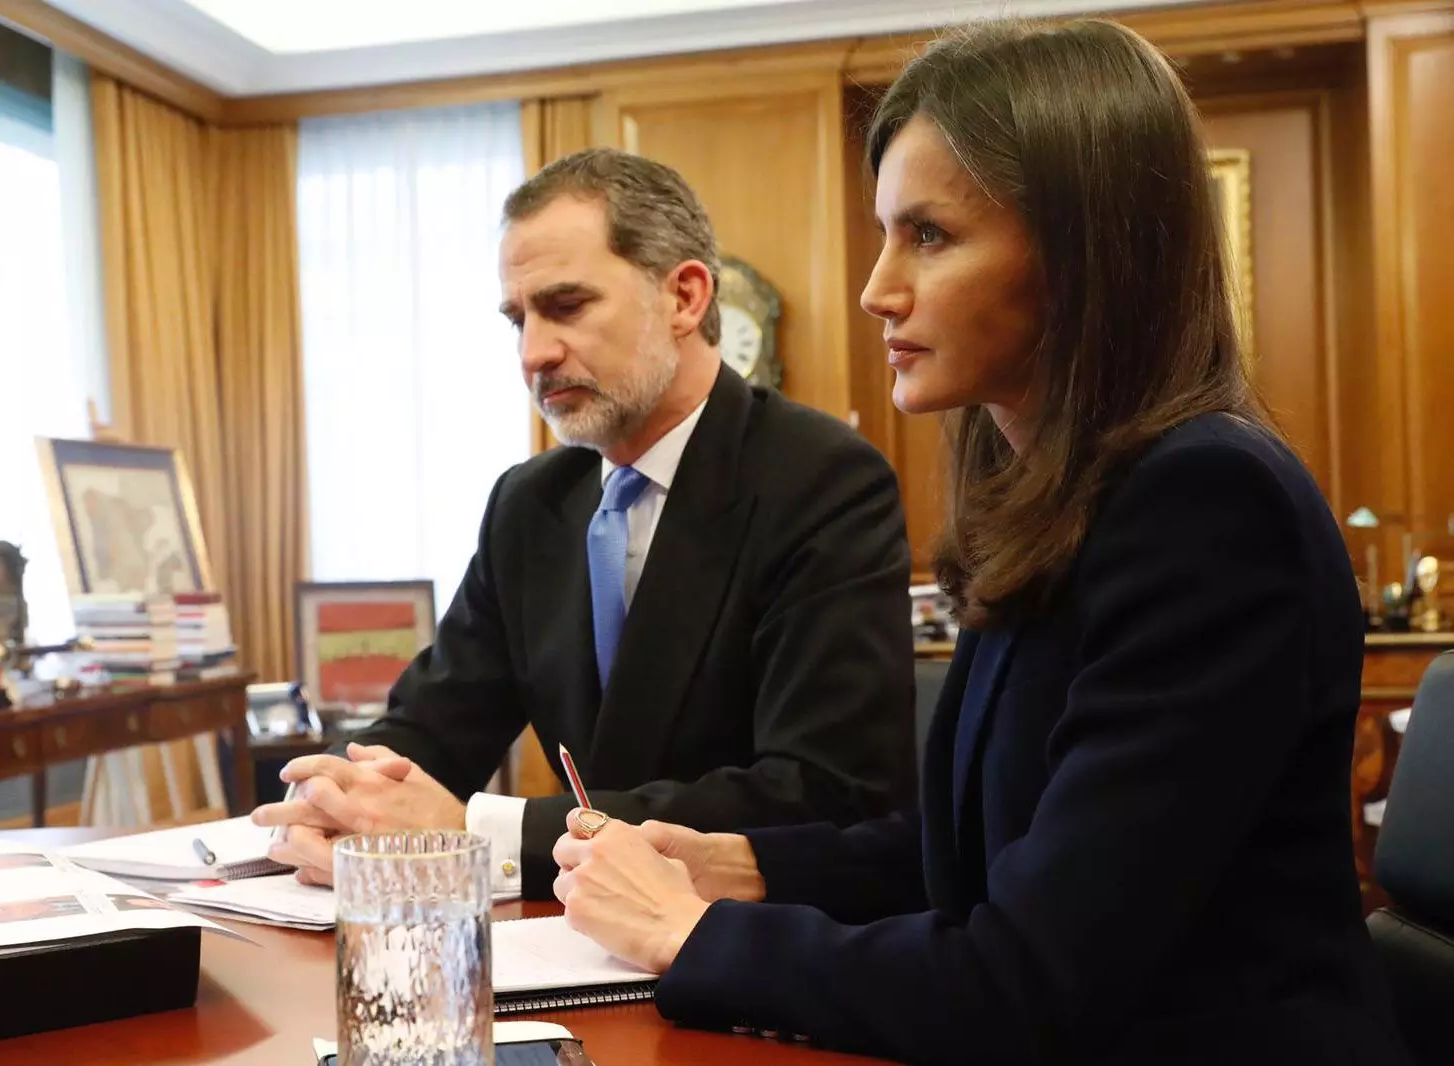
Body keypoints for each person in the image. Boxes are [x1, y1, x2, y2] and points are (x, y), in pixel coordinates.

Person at [546, 19, 1411, 1065]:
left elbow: (1030, 977)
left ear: (1086, 252)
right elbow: (986, 850)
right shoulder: (1068, 496)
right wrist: (741, 866)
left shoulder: (1210, 507)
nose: (876, 288)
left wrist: (693, 934)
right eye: (885, 234)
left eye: (930, 235)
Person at [253, 148, 917, 900]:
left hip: (746, 945)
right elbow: (434, 728)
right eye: (518, 319)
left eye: (566, 307)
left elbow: (820, 791)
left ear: (686, 297)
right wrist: (335, 796)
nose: (534, 353)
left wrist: (479, 833)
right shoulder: (529, 503)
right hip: (563, 939)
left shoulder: (823, 478)